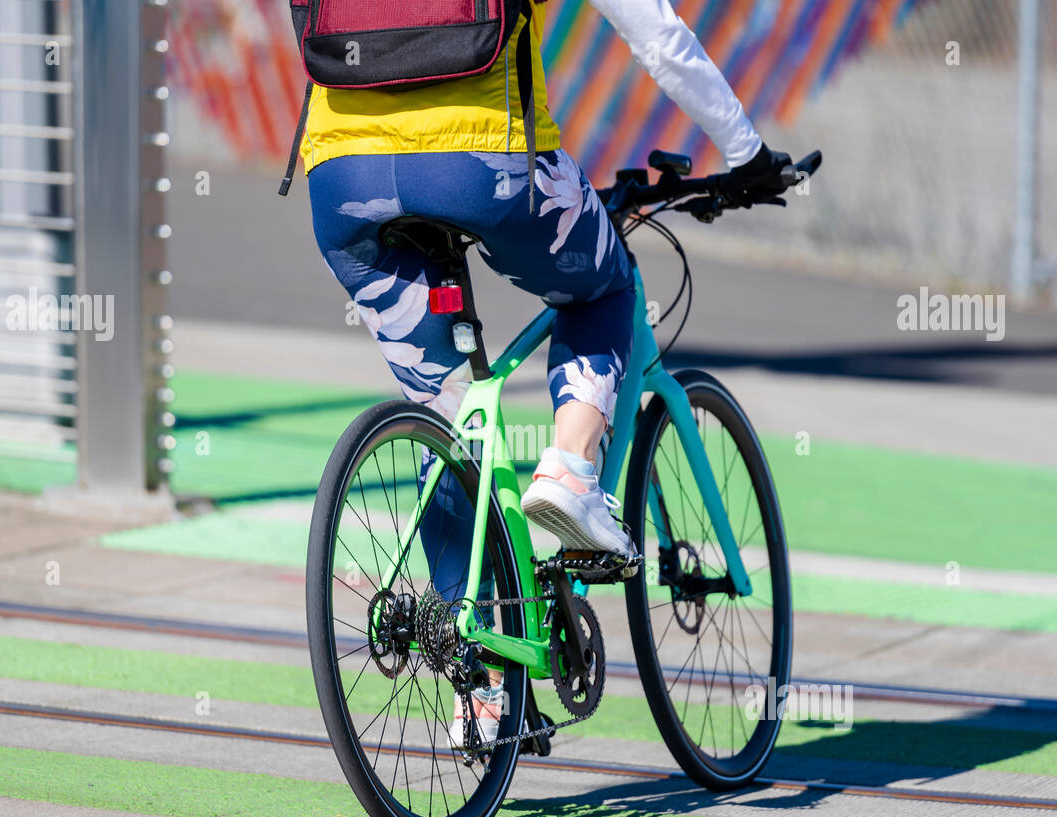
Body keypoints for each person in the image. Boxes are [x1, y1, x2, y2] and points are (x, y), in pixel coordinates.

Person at [301, 0, 790, 748]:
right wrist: (745, 150)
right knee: (605, 287)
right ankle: (567, 472)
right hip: (479, 164)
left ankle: (480, 680)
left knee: (450, 421)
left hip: (341, 182)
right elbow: (653, 30)